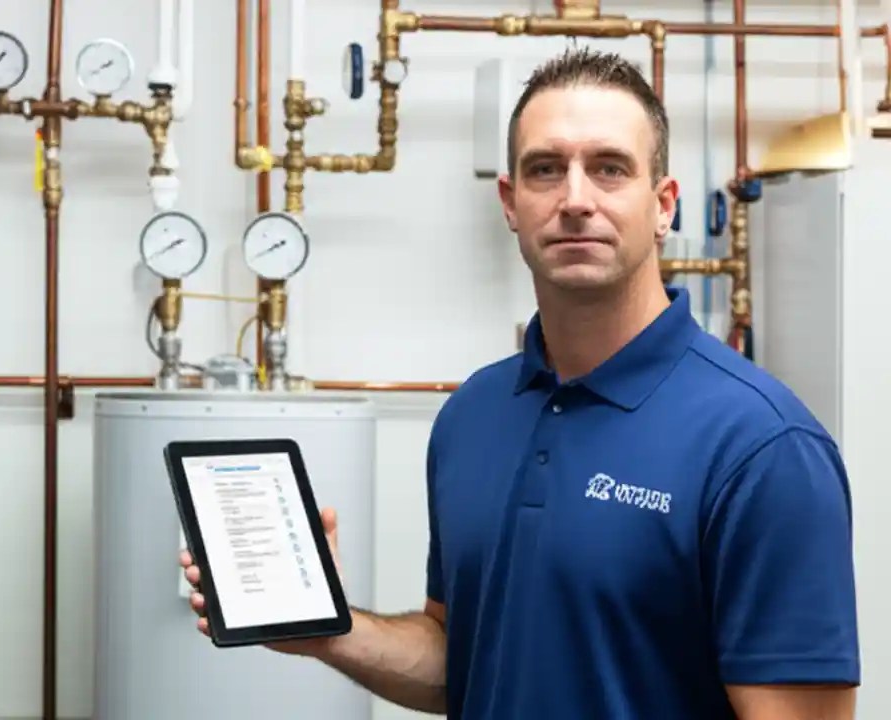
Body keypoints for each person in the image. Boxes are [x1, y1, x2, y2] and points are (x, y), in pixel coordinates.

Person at [179, 45, 861, 719]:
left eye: (609, 168)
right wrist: (329, 628)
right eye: (545, 169)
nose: (574, 199)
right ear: (510, 201)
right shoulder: (474, 414)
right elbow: (464, 660)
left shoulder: (764, 447)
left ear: (664, 205)